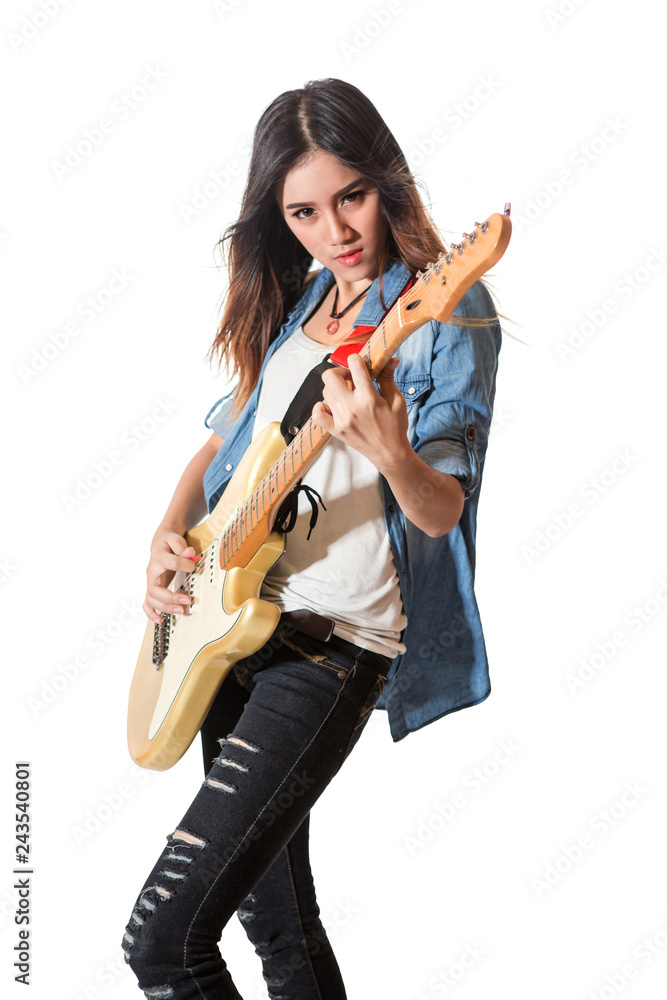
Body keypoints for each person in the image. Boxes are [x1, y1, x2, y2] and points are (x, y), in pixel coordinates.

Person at [121, 78, 503, 1000]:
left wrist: (389, 449)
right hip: (231, 625)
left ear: (386, 182)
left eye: (351, 196)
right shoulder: (300, 305)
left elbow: (442, 508)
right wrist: (167, 537)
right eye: (303, 210)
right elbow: (225, 441)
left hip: (332, 649)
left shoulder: (447, 309)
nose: (335, 230)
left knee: (163, 944)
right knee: (278, 924)